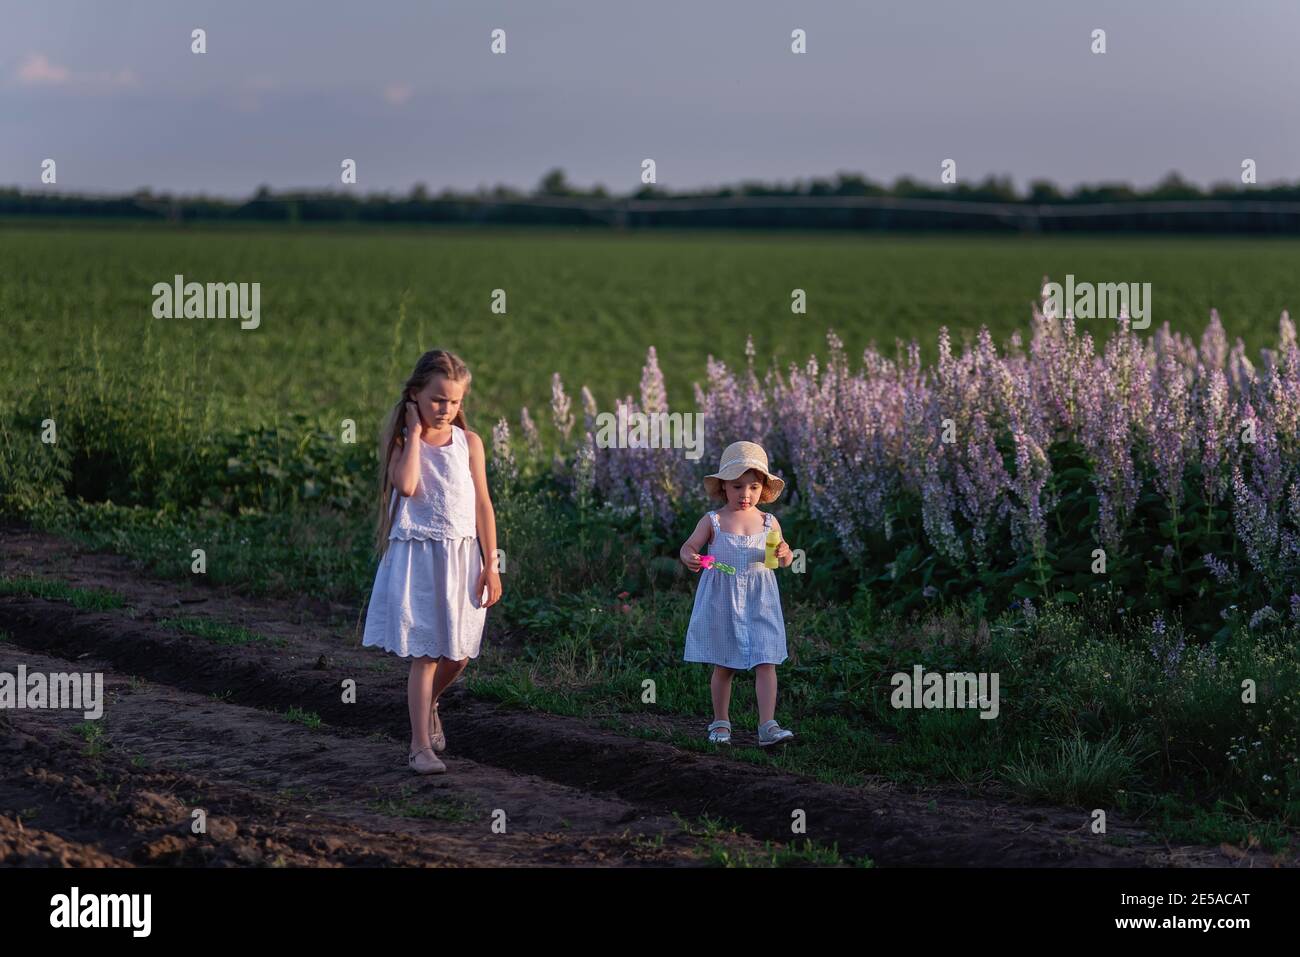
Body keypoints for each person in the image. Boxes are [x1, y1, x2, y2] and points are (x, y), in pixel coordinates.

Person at [362, 349, 502, 774]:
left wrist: (491, 564)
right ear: (416, 396)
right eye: (437, 399)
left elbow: (483, 504)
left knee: (458, 653)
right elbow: (405, 487)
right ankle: (418, 746)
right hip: (419, 558)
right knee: (426, 652)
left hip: (462, 557)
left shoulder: (470, 443)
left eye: (454, 401)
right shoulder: (407, 443)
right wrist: (411, 428)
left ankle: (431, 703)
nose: (446, 409)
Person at [679, 441, 795, 747]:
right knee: (725, 663)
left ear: (763, 489)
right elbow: (689, 547)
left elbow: (782, 558)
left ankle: (767, 725)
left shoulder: (768, 522)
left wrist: (785, 552)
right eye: (737, 486)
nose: (745, 494)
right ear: (723, 488)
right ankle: (720, 721)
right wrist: (690, 556)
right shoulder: (714, 521)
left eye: (753, 487)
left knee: (766, 659)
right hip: (724, 599)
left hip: (761, 598)